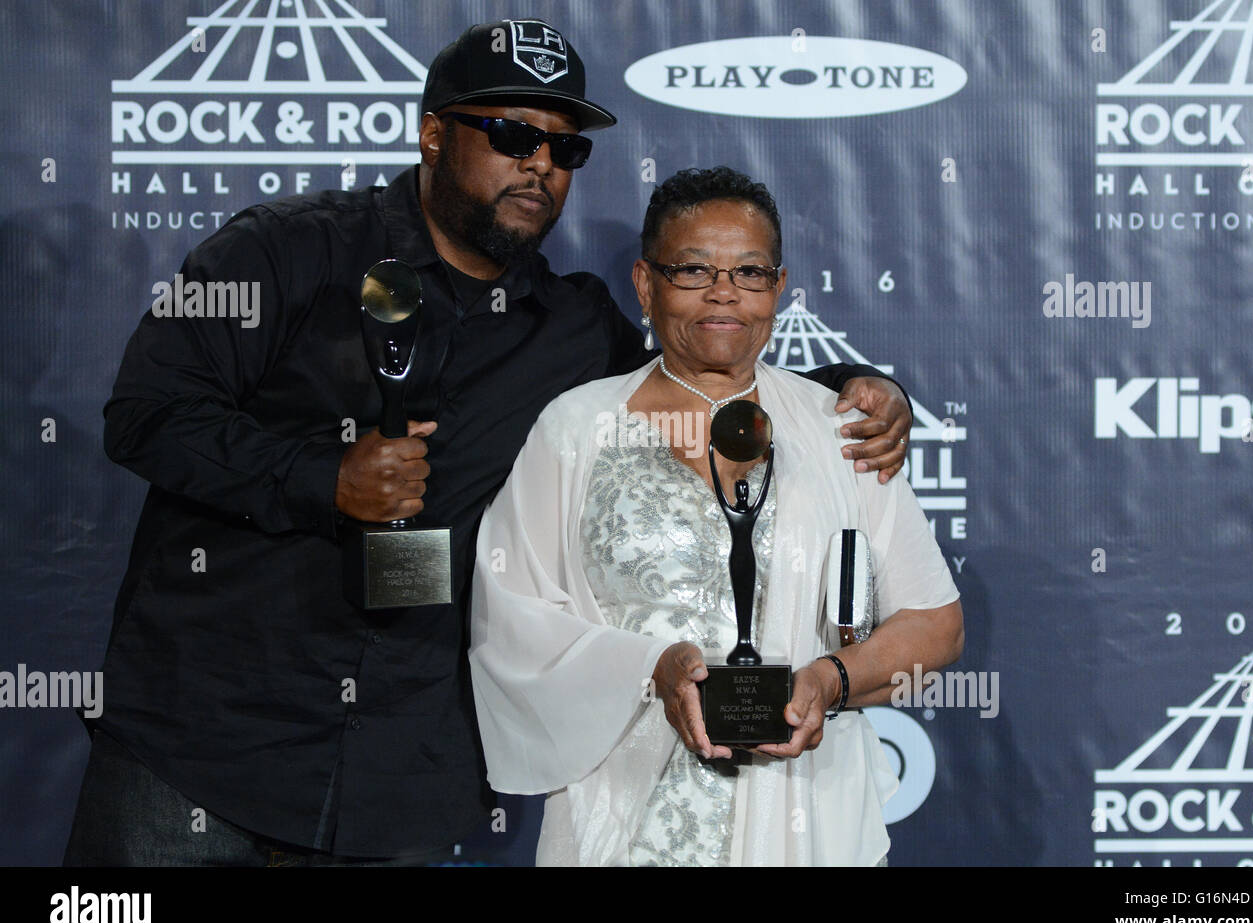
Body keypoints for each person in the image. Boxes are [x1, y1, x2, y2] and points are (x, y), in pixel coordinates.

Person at [65, 20, 914, 866]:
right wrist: (322, 479)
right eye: (512, 135)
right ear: (434, 133)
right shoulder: (288, 251)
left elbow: (695, 378)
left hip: (401, 783)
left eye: (564, 149)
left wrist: (853, 388)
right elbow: (145, 413)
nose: (540, 165)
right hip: (202, 748)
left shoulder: (575, 330)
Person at [470, 167, 963, 866]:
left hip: (806, 815)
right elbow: (509, 615)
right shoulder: (575, 428)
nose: (724, 291)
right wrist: (649, 667)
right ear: (646, 283)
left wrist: (829, 681)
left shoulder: (839, 430)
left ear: (780, 288)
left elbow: (935, 625)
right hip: (621, 815)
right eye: (694, 269)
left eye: (750, 272)